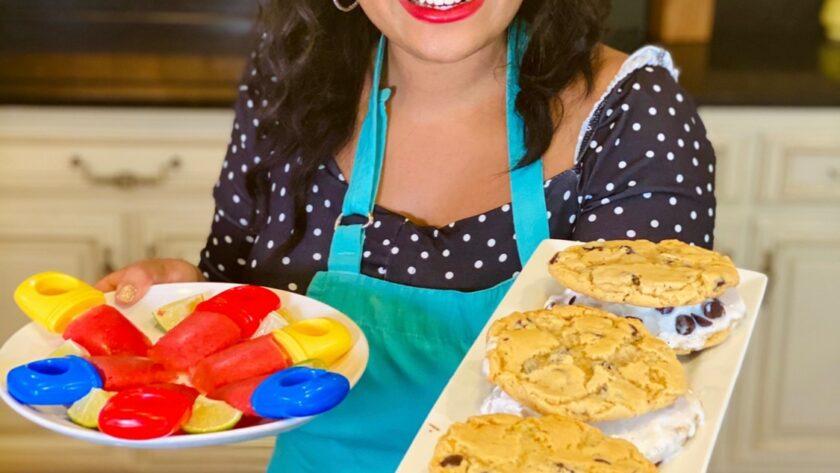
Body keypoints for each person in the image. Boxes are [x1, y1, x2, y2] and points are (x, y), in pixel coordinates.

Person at [97, 0, 716, 470]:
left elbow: (644, 400)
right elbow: (252, 306)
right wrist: (190, 302)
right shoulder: (292, 86)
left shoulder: (633, 113)